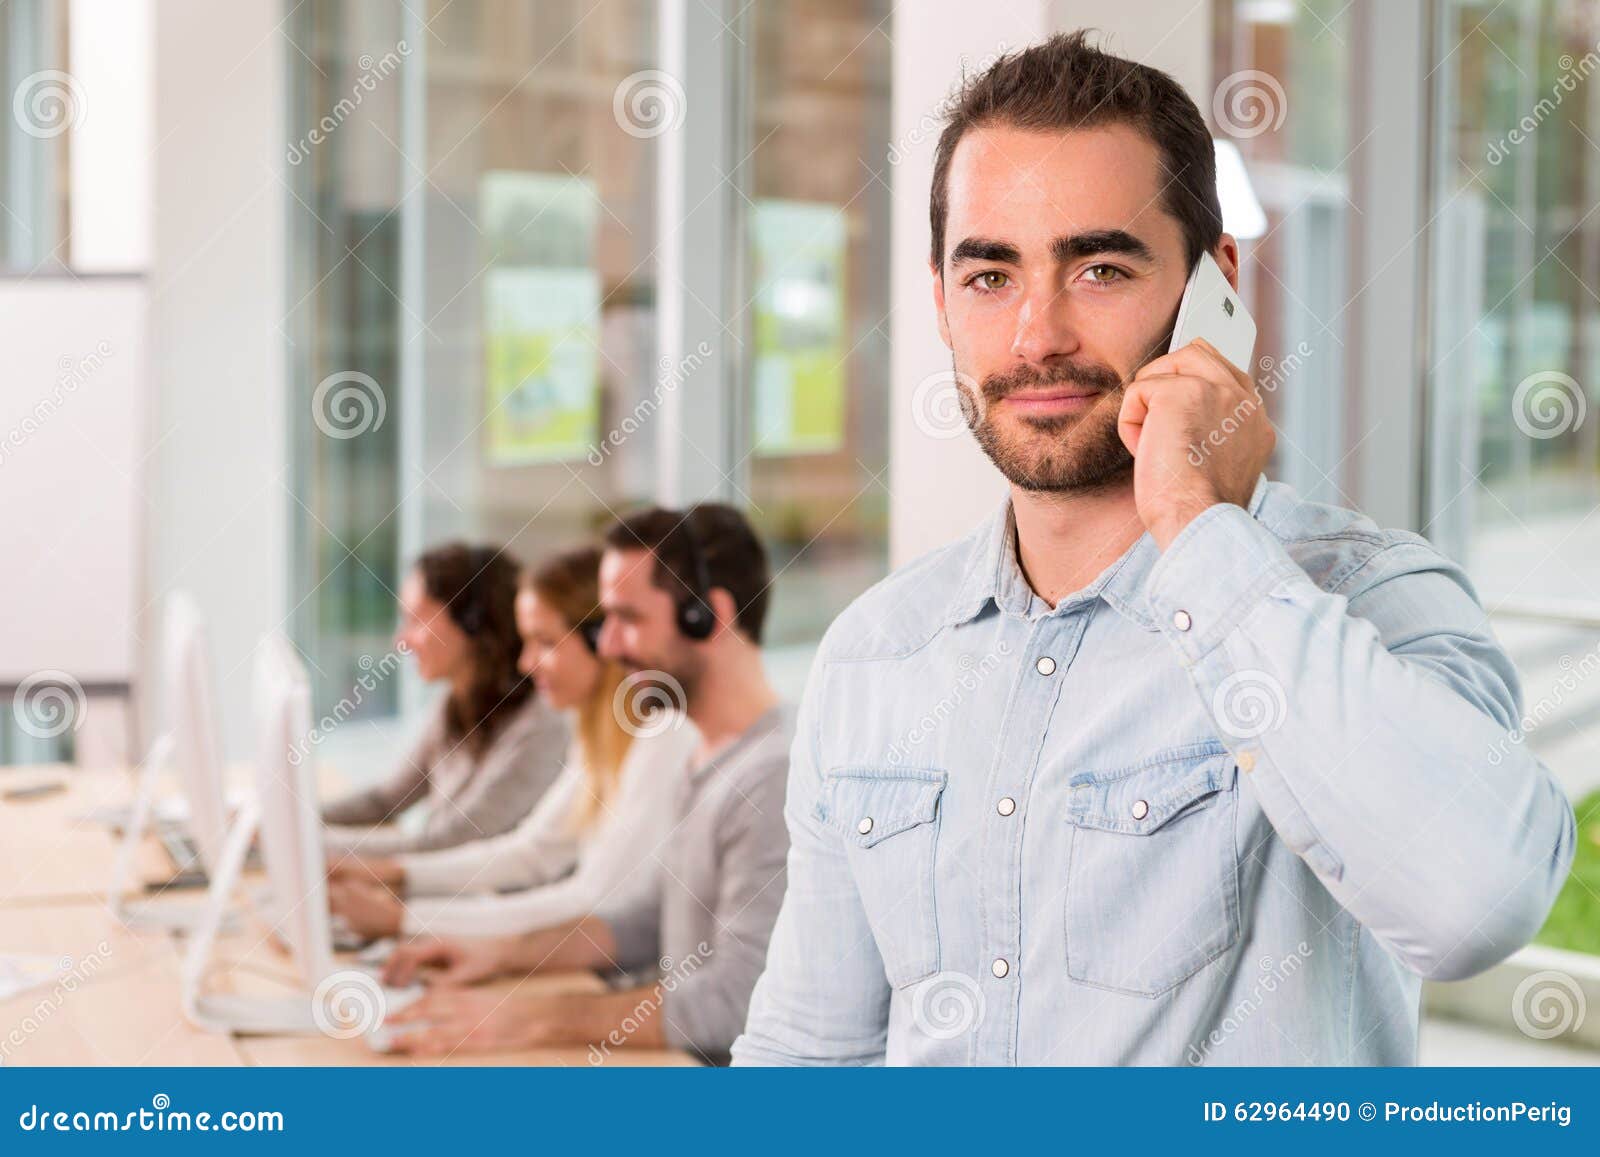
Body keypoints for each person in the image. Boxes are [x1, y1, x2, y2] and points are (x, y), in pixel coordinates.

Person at [732, 31, 1576, 1066]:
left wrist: (1196, 524)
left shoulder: (1372, 596)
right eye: (991, 275)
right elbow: (808, 1053)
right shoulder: (876, 652)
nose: (1037, 334)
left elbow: (1475, 904)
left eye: (1098, 267)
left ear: (1215, 288)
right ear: (943, 303)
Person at [381, 505, 792, 1066]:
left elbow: (733, 1003)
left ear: (709, 616)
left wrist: (527, 1020)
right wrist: (498, 955)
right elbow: (646, 920)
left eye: (627, 618)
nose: (608, 646)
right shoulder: (706, 751)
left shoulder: (771, 777)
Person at [325, 546, 698, 939]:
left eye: (546, 642)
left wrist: (405, 919)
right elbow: (533, 851)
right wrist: (395, 876)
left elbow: (591, 900)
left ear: (601, 640)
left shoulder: (661, 740)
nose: (527, 663)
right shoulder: (599, 739)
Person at [322, 542, 568, 857]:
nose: (402, 640)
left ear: (473, 623)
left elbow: (447, 841)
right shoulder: (453, 703)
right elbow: (387, 799)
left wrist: (307, 844)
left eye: (417, 620)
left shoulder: (539, 728)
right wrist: (294, 821)